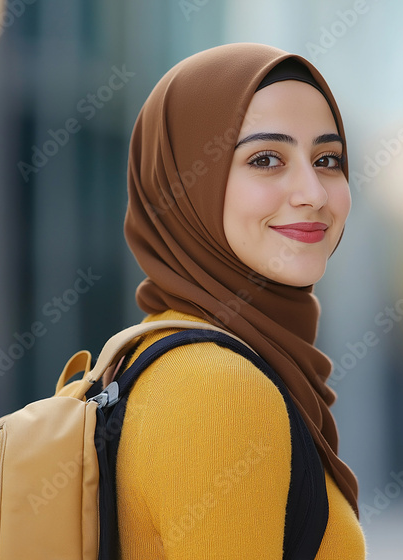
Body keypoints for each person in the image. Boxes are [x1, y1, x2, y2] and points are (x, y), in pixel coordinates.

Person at [117, 42, 365, 558]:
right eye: (266, 158)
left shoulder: (164, 354)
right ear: (184, 186)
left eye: (327, 159)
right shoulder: (217, 388)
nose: (313, 193)